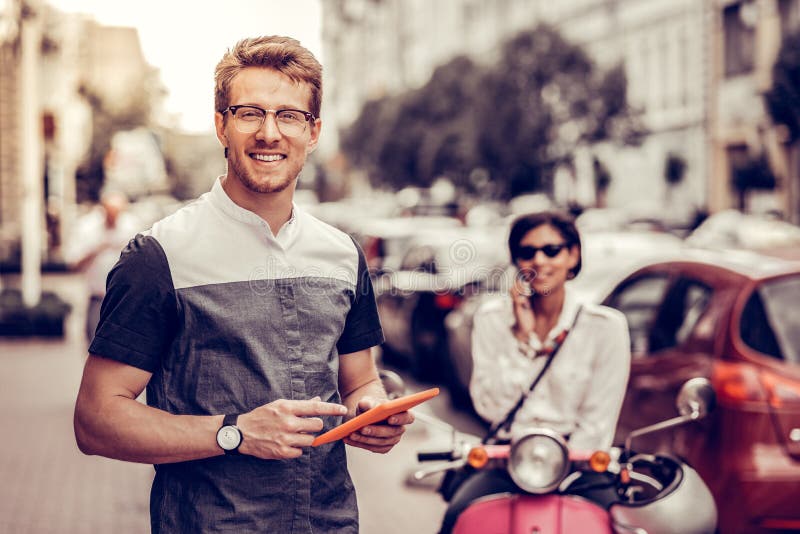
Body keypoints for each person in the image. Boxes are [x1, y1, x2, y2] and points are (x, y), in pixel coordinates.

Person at [74, 36, 413, 534]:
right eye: (249, 113)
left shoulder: (342, 254)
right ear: (221, 126)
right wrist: (234, 433)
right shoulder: (159, 256)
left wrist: (373, 409)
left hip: (331, 523)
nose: (269, 133)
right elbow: (95, 420)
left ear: (313, 131)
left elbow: (360, 380)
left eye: (289, 116)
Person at [439, 211, 631, 533]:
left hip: (579, 463)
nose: (539, 260)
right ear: (516, 260)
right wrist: (524, 341)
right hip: (506, 458)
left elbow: (598, 422)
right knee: (458, 517)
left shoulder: (606, 327)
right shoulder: (491, 319)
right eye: (528, 252)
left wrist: (555, 467)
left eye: (551, 250)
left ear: (573, 255)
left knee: (617, 523)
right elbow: (490, 406)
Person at [62, 190, 142, 340]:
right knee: (94, 342)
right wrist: (97, 249)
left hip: (125, 298)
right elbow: (73, 263)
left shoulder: (132, 226)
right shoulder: (87, 227)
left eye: (117, 213)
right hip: (98, 297)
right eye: (110, 213)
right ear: (102, 209)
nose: (114, 218)